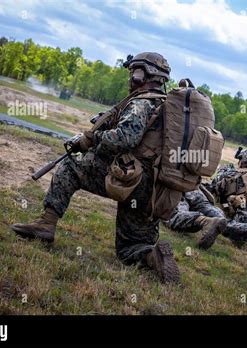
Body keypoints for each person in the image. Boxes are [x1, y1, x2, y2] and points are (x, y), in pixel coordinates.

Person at [11, 52, 181, 284]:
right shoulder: (167, 108)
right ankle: (153, 256)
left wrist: (90, 139)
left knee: (72, 165)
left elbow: (125, 138)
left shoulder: (142, 103)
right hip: (154, 191)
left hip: (131, 179)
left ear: (144, 73)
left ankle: (46, 224)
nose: (131, 76)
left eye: (134, 71)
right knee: (130, 248)